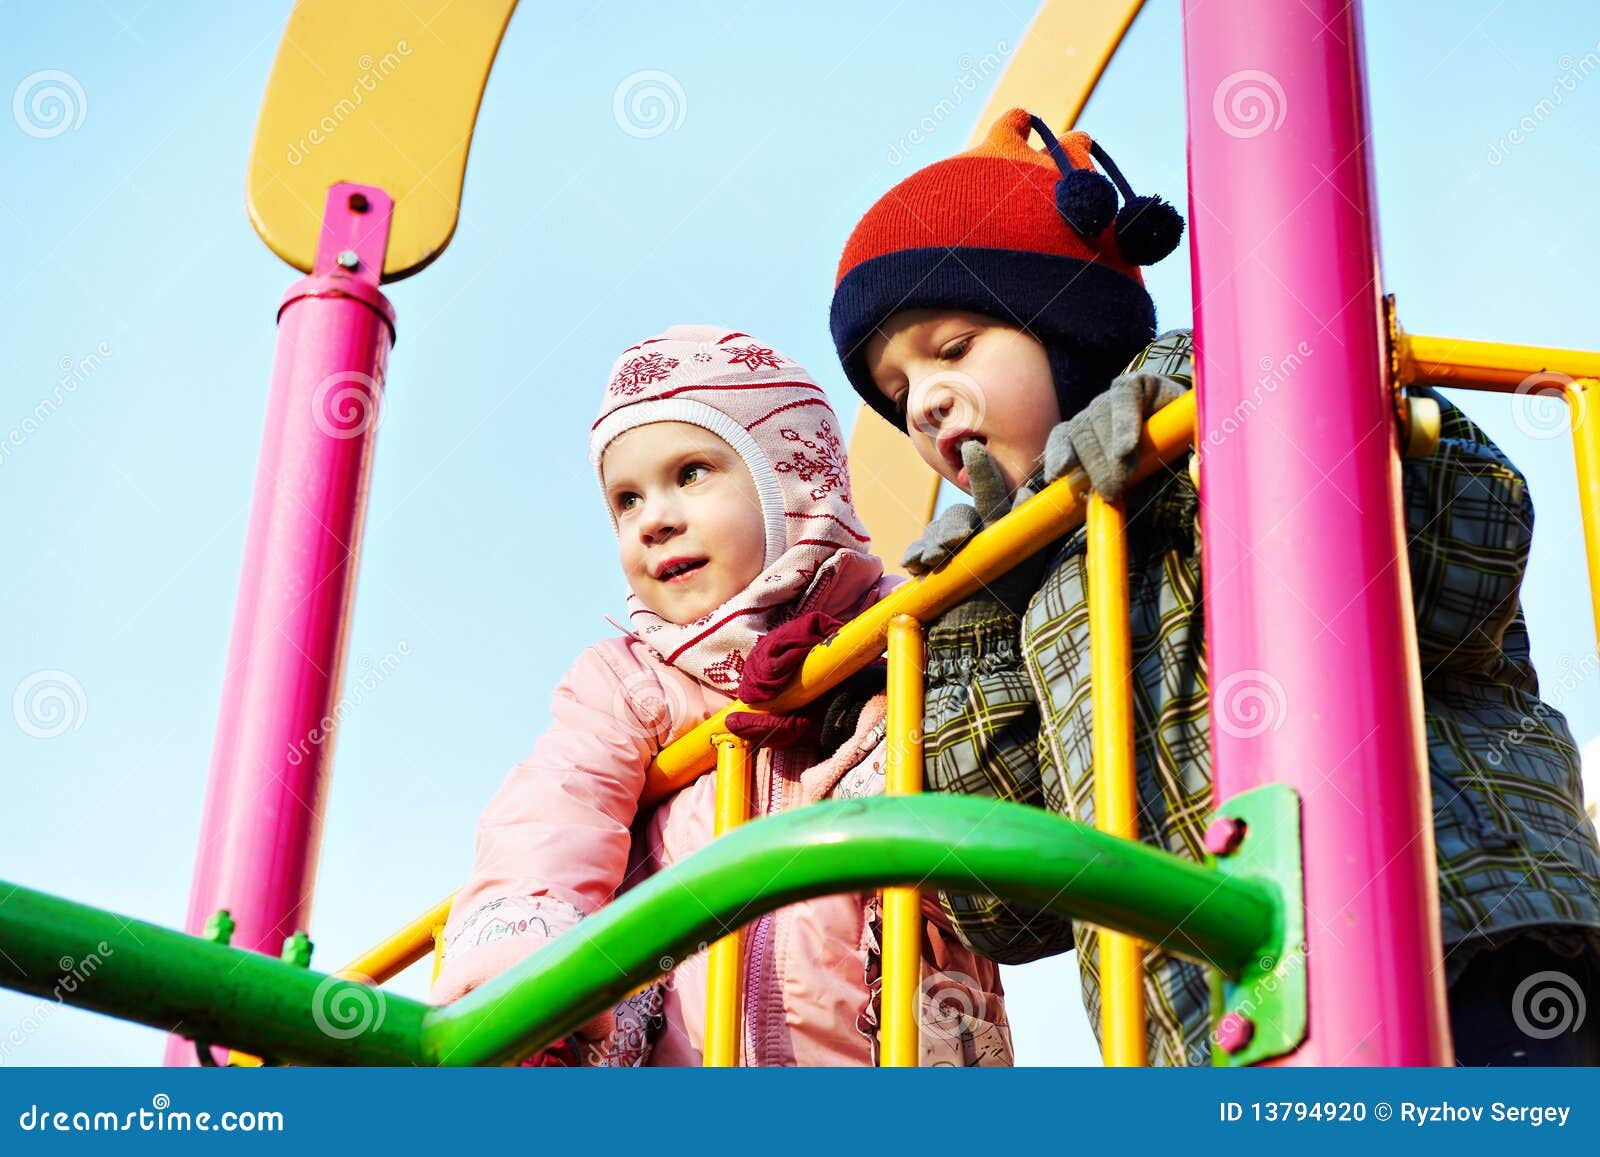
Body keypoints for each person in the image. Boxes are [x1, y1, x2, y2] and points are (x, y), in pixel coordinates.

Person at [826, 107, 1600, 1065]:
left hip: (1455, 923)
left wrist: (1196, 425)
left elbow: (1458, 556)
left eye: (952, 349)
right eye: (896, 392)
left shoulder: (1236, 387)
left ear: (1065, 326)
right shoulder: (1023, 572)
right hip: (1205, 1021)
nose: (926, 399)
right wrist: (987, 606)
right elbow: (1004, 904)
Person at [430, 325, 1011, 1066]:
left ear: (793, 485)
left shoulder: (904, 631)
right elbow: (556, 806)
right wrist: (524, 968)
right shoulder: (632, 681)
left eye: (692, 472)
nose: (655, 518)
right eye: (626, 500)